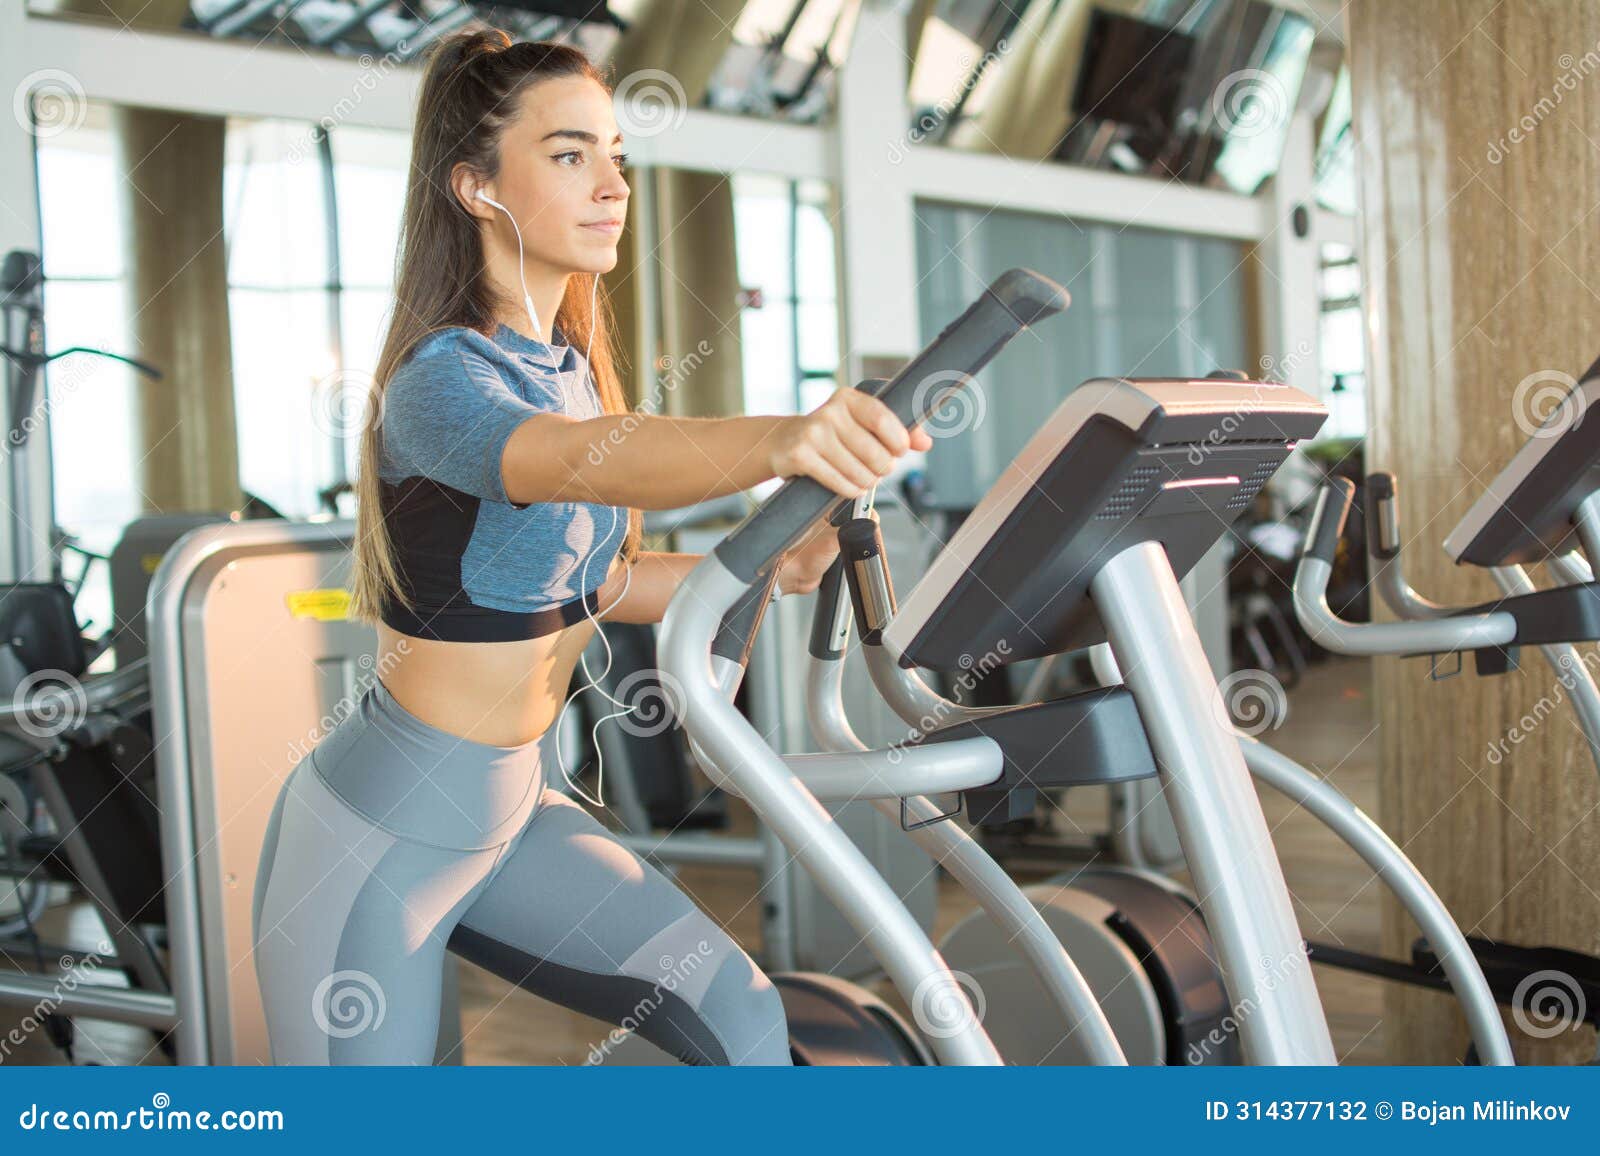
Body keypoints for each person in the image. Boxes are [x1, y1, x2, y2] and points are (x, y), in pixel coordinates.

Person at [249, 27, 931, 1066]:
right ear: (475, 186)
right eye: (569, 154)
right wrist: (785, 438)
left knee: (741, 1019)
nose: (612, 182)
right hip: (381, 835)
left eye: (616, 153)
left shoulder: (570, 366)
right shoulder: (441, 380)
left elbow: (598, 581)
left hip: (519, 807)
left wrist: (770, 572)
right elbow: (583, 461)